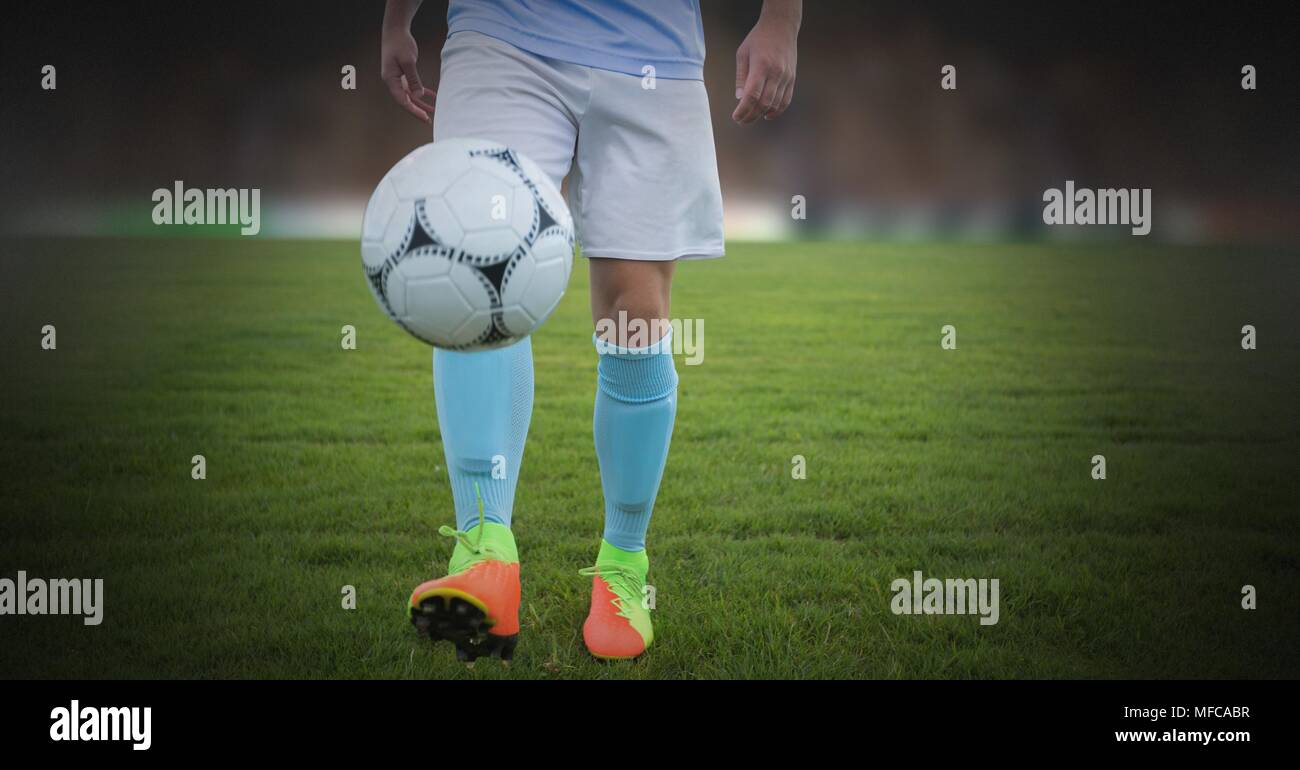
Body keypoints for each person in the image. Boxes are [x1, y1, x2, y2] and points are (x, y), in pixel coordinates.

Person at [384, 0, 801, 662]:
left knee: (635, 310)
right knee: (476, 267)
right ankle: (483, 548)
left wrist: (782, 18)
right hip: (503, 33)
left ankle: (622, 569)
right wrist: (396, 17)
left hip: (652, 47)